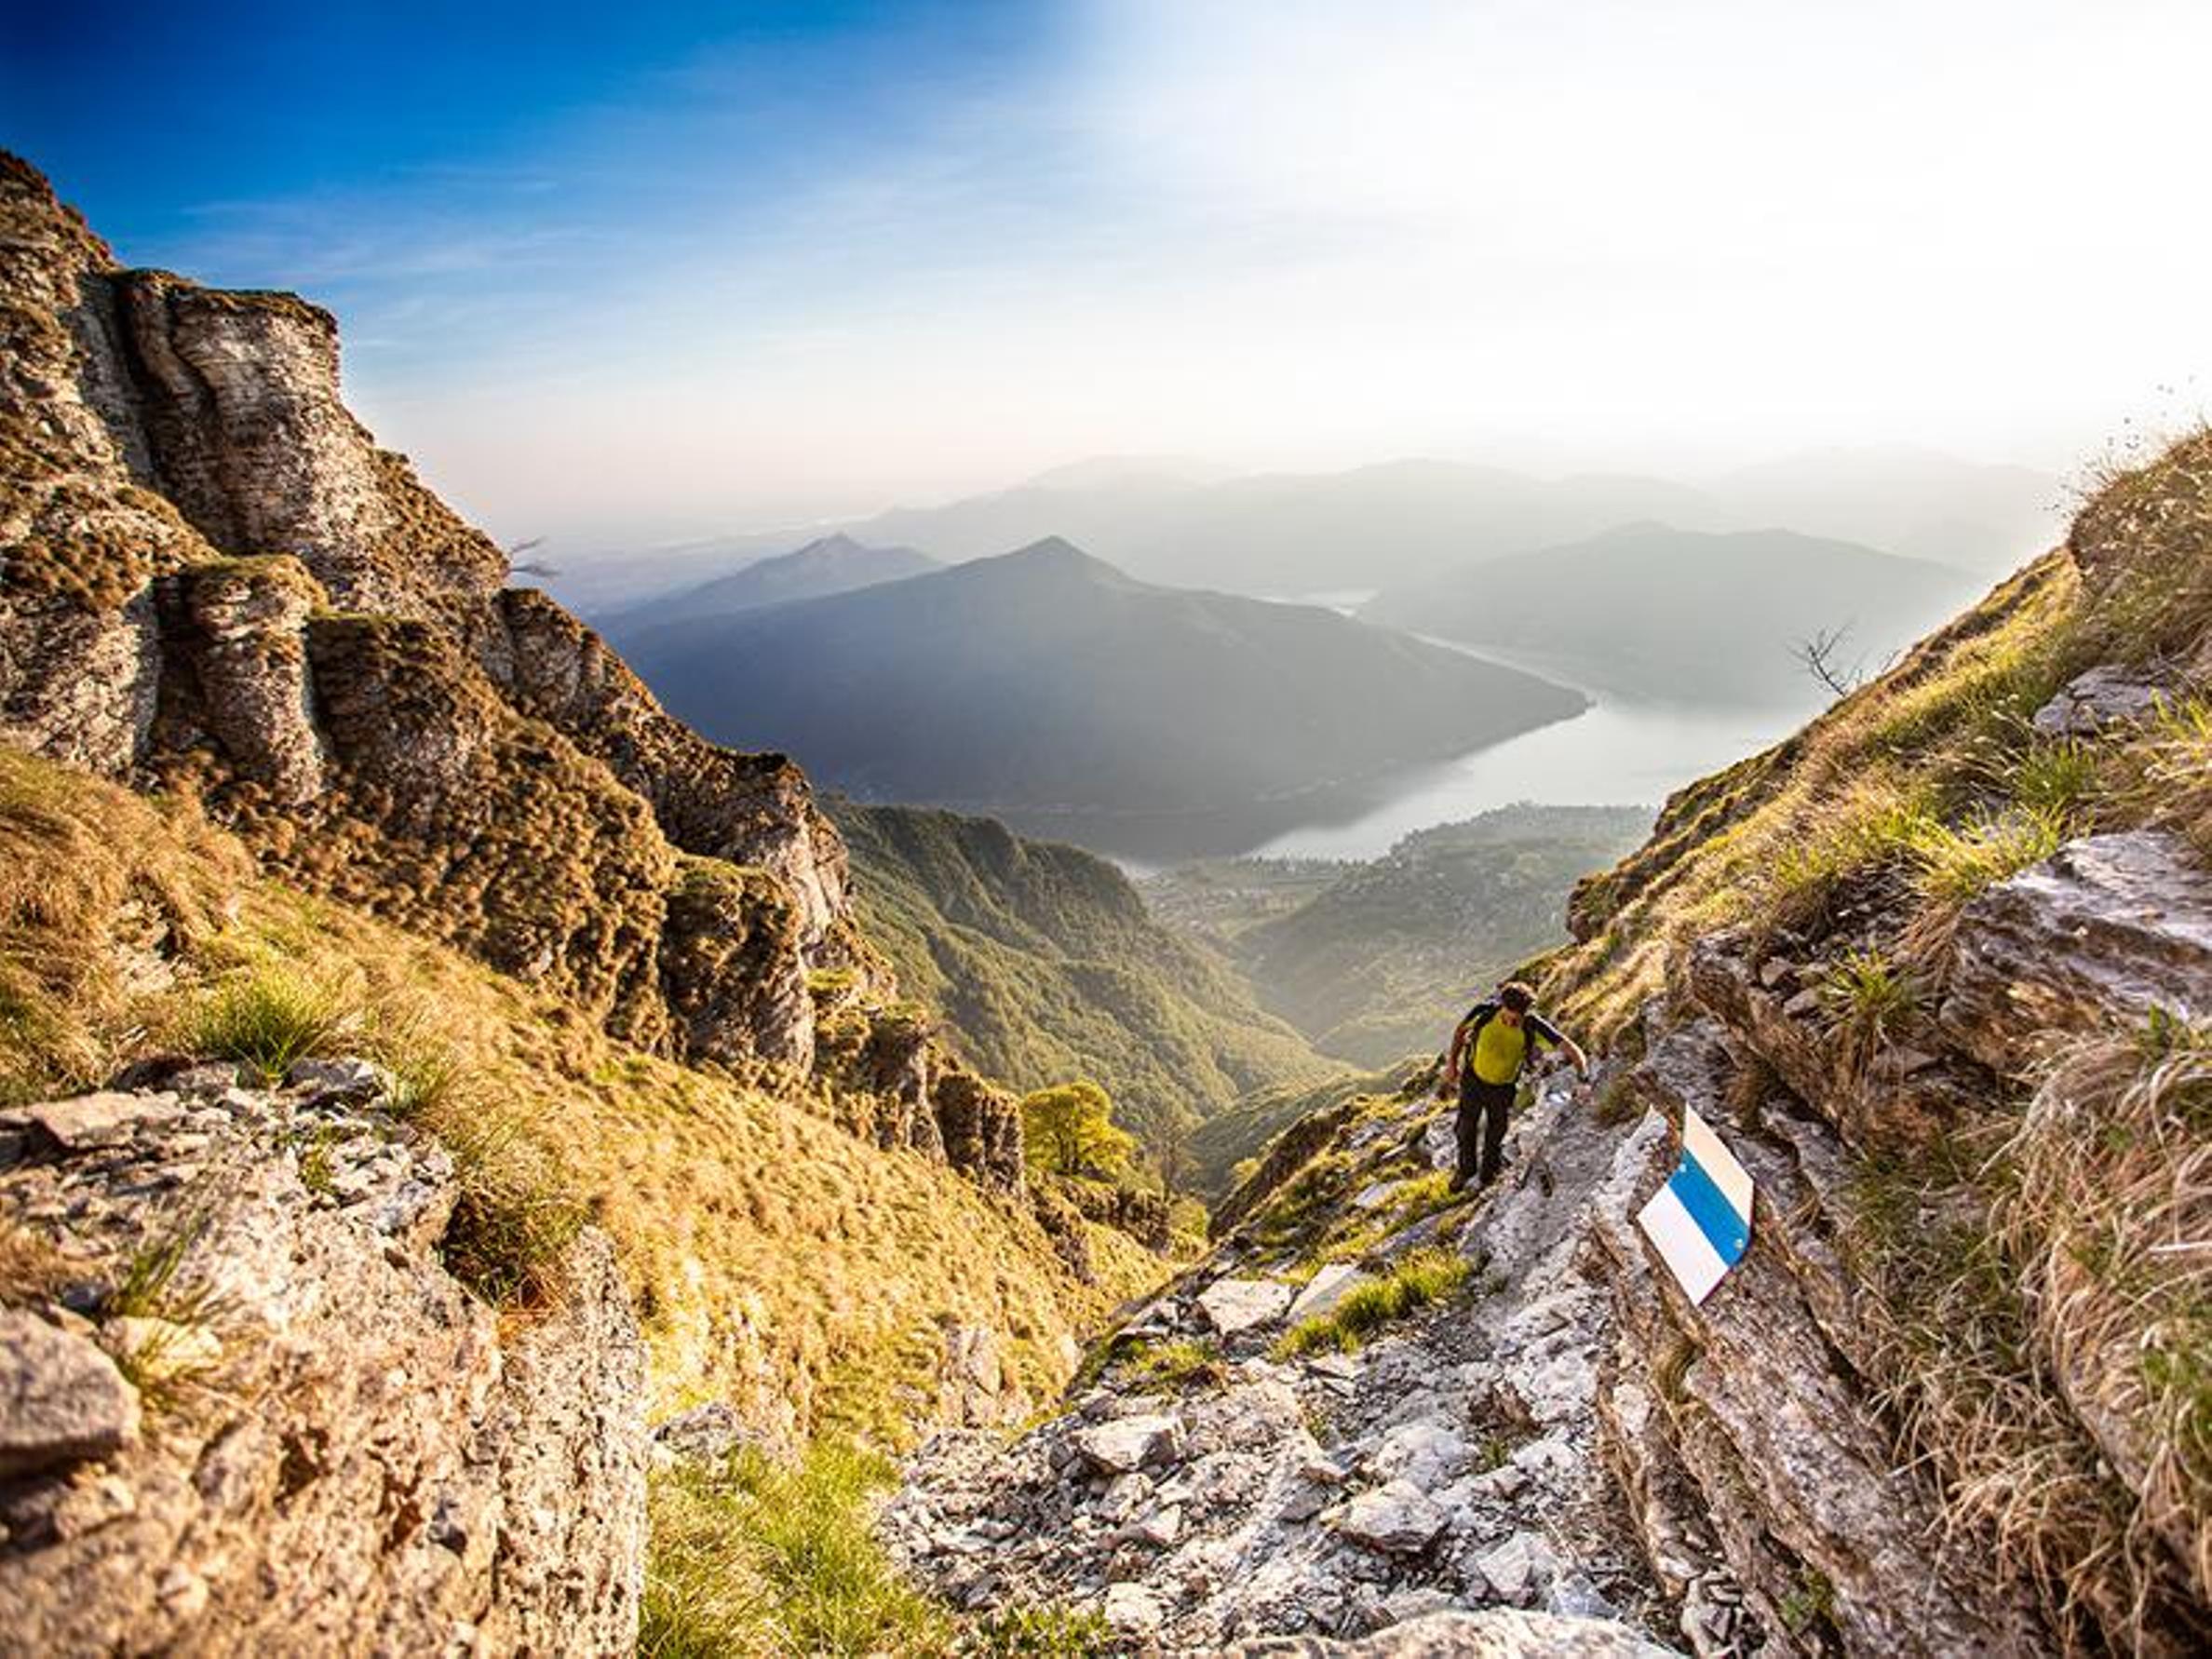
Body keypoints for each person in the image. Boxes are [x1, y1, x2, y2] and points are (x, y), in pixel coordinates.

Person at [1438, 980, 1587, 1193]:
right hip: (1473, 1079)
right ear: (1501, 1006)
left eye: (1516, 1020)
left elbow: (1572, 1050)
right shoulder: (1484, 1013)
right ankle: (1465, 1171)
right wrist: (1452, 1064)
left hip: (1503, 1089)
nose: (1510, 1023)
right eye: (1507, 1017)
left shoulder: (1532, 1025)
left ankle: (1487, 1178)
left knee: (1495, 1136)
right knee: (1465, 1129)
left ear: (1525, 1014)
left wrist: (1584, 1079)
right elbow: (1460, 1031)